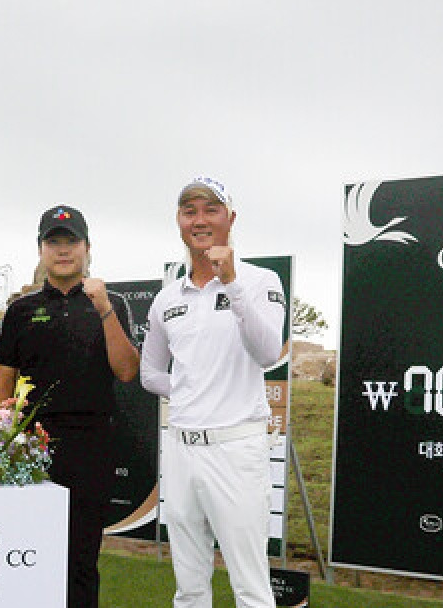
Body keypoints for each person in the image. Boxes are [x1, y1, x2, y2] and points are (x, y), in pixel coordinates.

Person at [140, 177, 286, 608]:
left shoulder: (260, 281)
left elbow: (265, 353)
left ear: (230, 219)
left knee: (251, 587)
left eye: (210, 210)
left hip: (236, 446)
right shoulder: (168, 298)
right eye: (189, 211)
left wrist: (233, 284)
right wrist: (191, 391)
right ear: (179, 223)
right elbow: (150, 373)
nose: (199, 220)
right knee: (189, 586)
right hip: (182, 447)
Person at [0, 204, 140, 608]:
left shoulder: (112, 303)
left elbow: (127, 372)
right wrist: (1, 440)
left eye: (70, 241)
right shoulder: (21, 310)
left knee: (81, 559)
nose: (62, 250)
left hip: (92, 443)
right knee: (27, 554)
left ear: (87, 247)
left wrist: (104, 309)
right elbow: (2, 381)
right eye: (53, 242)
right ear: (40, 250)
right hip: (32, 445)